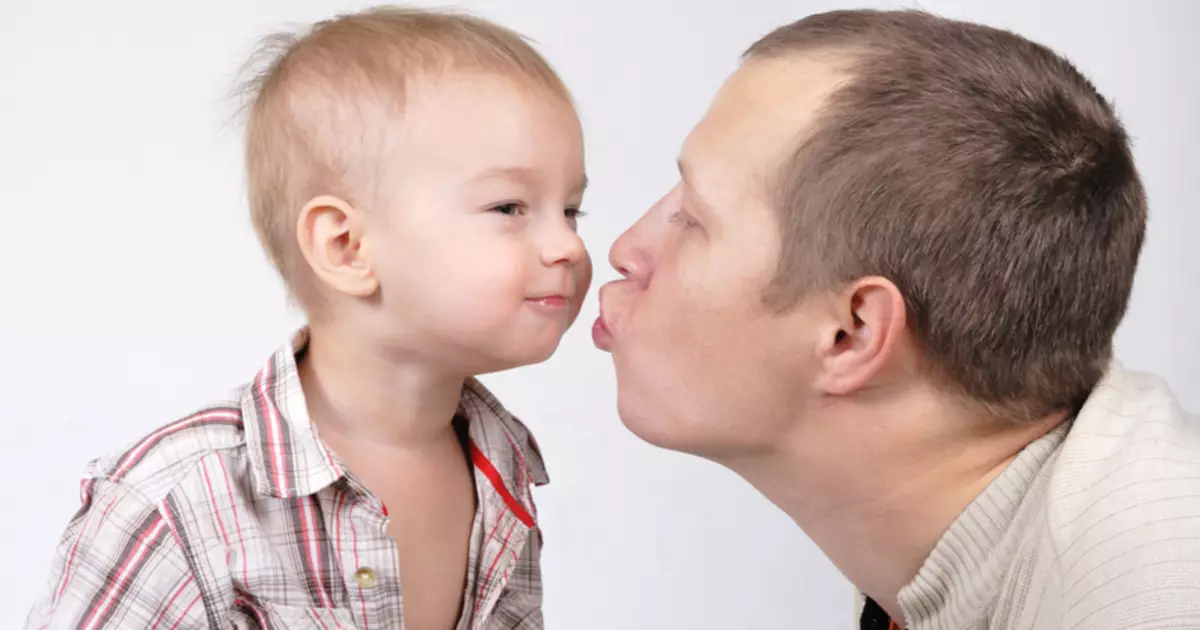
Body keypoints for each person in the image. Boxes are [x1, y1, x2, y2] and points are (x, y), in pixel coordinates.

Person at [593, 9, 1200, 629]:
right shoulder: (949, 575)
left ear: (851, 333)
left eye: (692, 221)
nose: (623, 251)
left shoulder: (1152, 597)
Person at [26, 6, 589, 629]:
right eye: (511, 207)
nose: (566, 244)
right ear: (346, 247)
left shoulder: (502, 465)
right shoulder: (178, 503)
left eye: (571, 210)